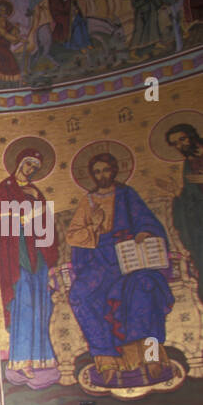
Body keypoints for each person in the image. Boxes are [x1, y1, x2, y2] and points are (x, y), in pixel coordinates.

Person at [66, 152, 173, 387]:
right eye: (97, 172)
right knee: (79, 296)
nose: (101, 175)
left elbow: (147, 221)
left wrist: (144, 232)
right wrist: (93, 224)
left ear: (114, 171)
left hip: (130, 258)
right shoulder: (89, 201)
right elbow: (74, 236)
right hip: (100, 262)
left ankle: (152, 356)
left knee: (145, 288)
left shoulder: (127, 195)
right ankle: (106, 360)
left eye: (105, 170)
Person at [0, 147, 58, 378]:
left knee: (42, 303)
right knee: (24, 300)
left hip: (37, 249)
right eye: (28, 164)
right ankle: (21, 360)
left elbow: (45, 221)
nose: (30, 170)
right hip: (17, 249)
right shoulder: (5, 187)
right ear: (19, 162)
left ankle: (41, 358)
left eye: (35, 168)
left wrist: (36, 219)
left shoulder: (35, 190)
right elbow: (2, 219)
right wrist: (24, 218)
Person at [162, 122, 203, 291]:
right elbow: (191, 194)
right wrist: (176, 196)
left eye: (182, 139)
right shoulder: (188, 163)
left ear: (192, 135)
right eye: (175, 143)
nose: (180, 145)